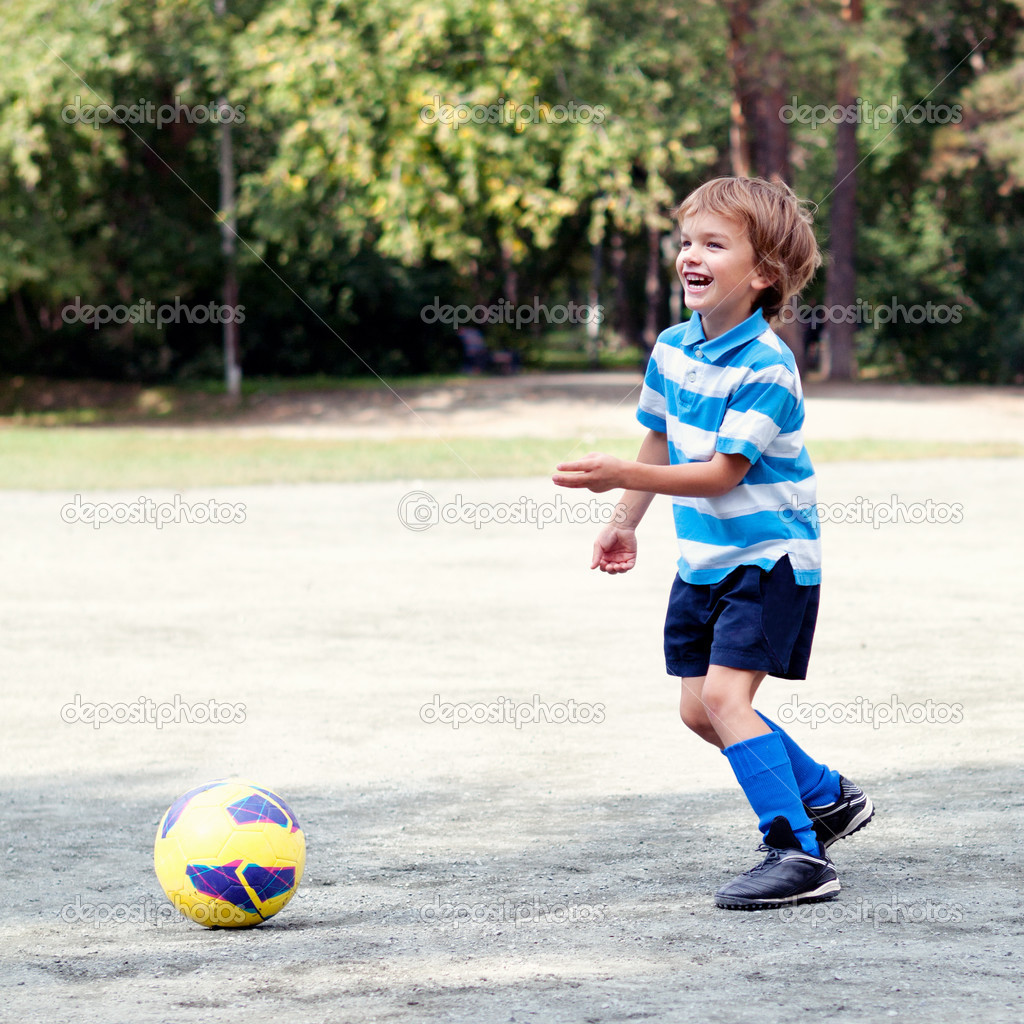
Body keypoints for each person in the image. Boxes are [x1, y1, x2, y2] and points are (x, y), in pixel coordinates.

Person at [552, 176, 873, 910]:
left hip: (770, 561)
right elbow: (660, 435)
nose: (690, 256)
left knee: (728, 698)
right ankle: (825, 794)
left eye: (714, 244)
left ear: (762, 275)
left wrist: (620, 476)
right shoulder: (671, 349)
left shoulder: (768, 368)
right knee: (698, 711)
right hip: (705, 562)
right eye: (687, 241)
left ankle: (798, 849)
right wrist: (627, 518)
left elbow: (723, 473)